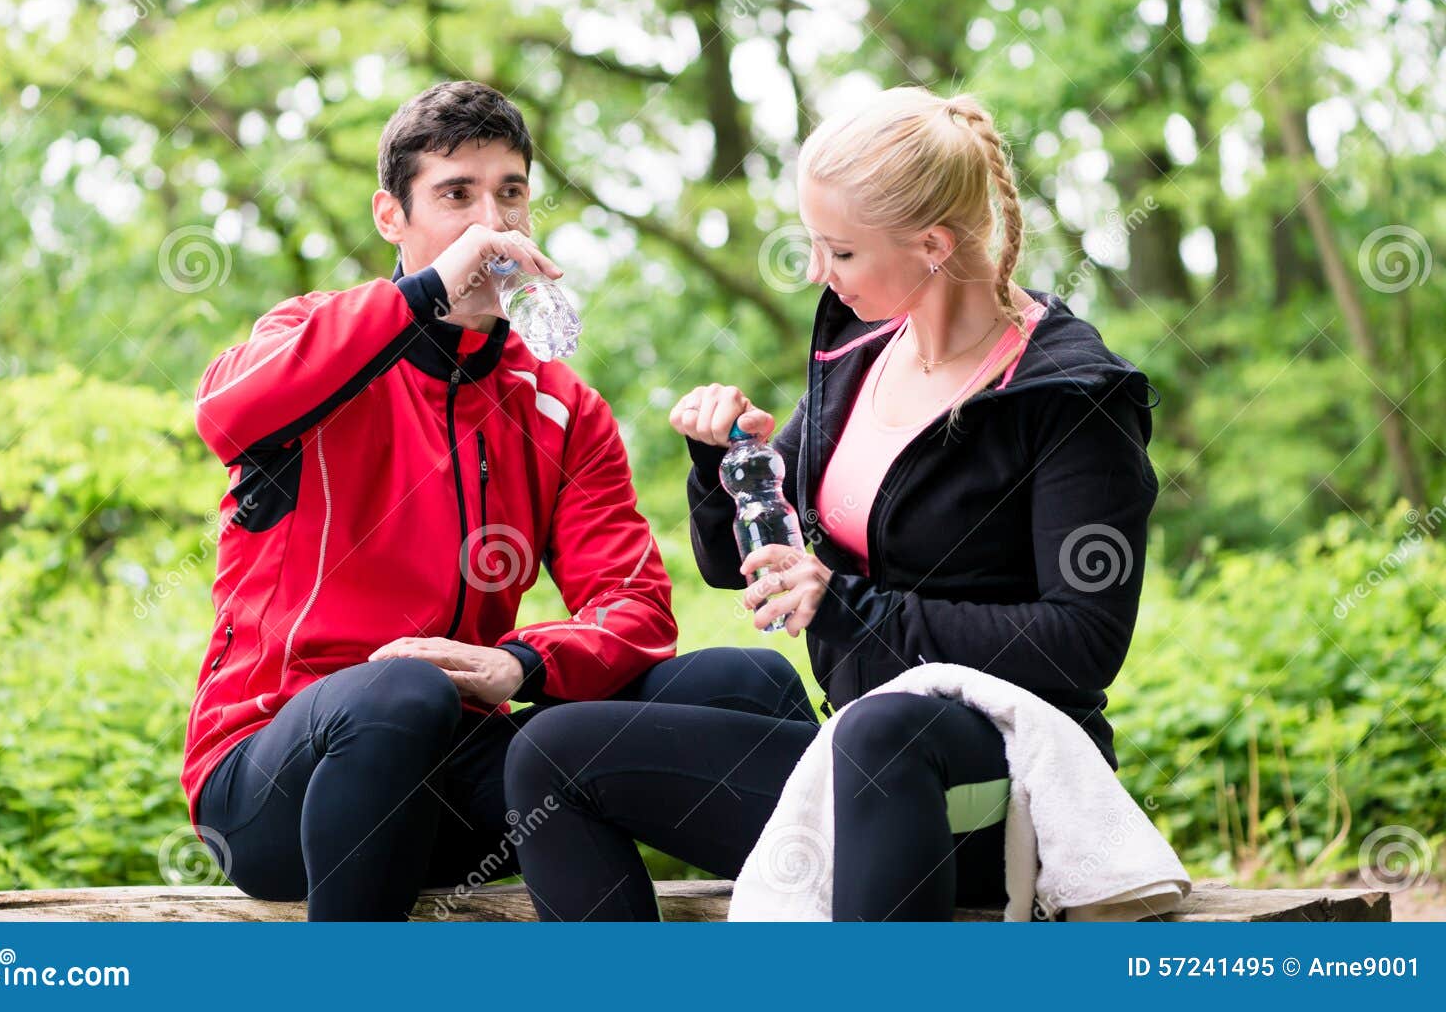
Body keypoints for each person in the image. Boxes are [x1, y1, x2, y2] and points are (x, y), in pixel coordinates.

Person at [503, 86, 1160, 921]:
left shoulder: (1070, 397)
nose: (817, 272)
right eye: (813, 244)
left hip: (1003, 783)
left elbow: (1081, 646)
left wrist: (847, 603)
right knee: (548, 756)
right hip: (851, 764)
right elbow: (741, 565)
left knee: (879, 734)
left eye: (839, 252)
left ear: (931, 245)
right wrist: (723, 464)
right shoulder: (859, 353)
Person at [179, 81, 814, 921]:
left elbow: (633, 608)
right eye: (455, 195)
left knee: (745, 682)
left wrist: (522, 663)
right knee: (404, 693)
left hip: (455, 772)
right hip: (272, 782)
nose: (494, 223)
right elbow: (224, 413)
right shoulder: (314, 337)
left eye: (511, 192)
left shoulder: (560, 405)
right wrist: (426, 295)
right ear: (389, 218)